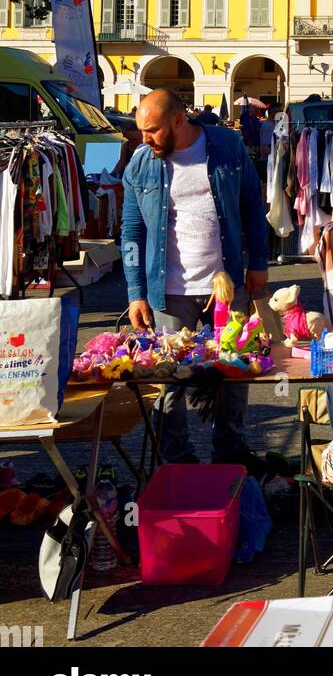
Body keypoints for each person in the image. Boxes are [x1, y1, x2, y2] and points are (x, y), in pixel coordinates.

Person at [121, 88, 270, 474]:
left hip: (227, 285)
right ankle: (176, 461)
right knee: (169, 385)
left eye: (151, 130)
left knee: (233, 376)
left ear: (177, 120)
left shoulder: (226, 145)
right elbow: (131, 230)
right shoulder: (141, 164)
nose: (144, 139)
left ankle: (230, 453)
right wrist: (136, 293)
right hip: (168, 291)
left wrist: (259, 263)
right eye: (140, 131)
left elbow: (252, 204)